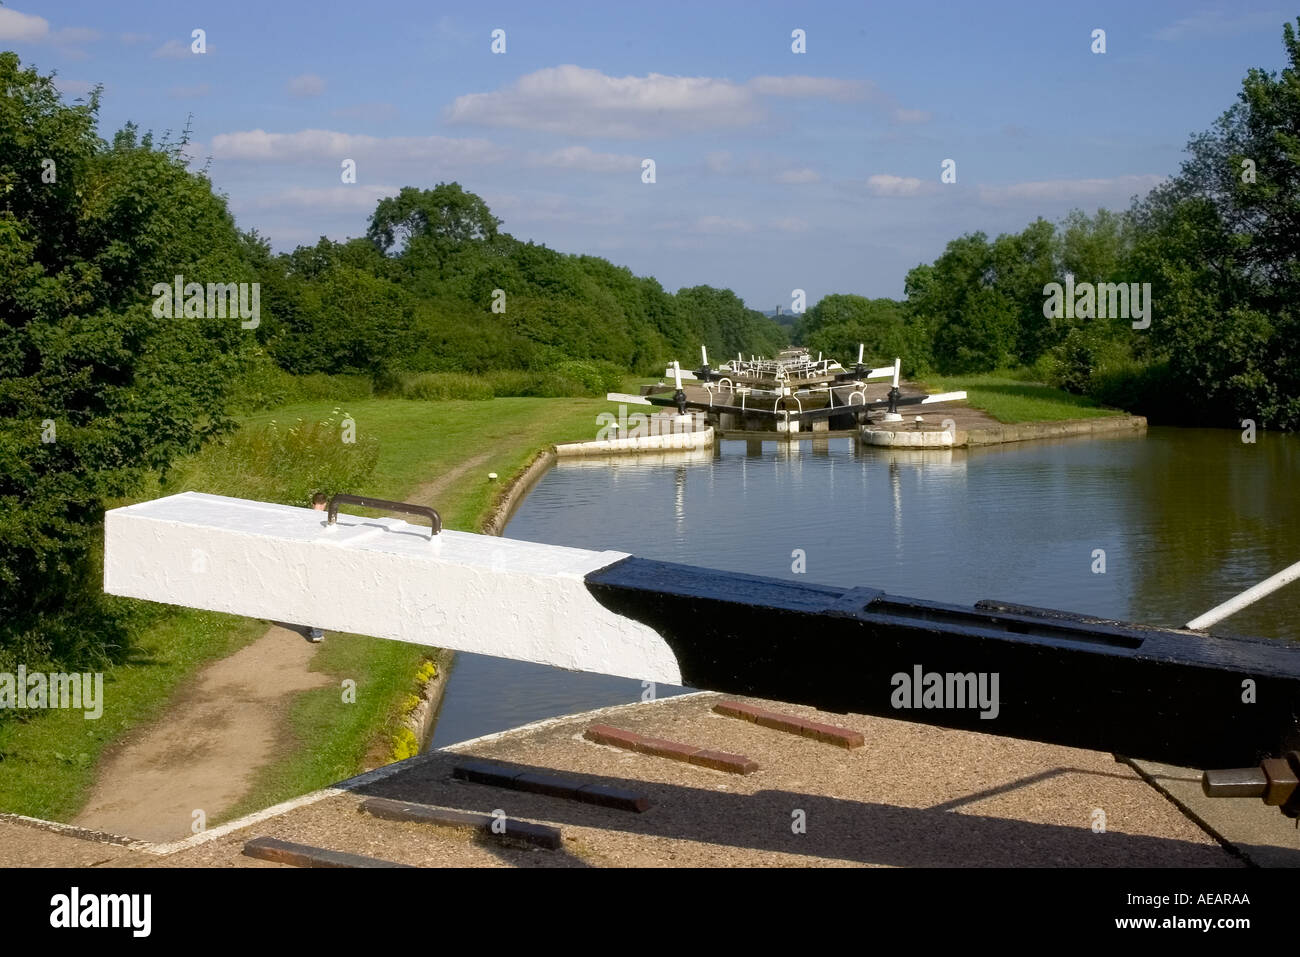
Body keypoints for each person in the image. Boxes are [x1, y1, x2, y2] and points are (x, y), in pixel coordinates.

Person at [305, 493, 328, 643]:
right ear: (325, 504)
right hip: (321, 561)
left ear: (312, 503)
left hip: (306, 561)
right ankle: (317, 631)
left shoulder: (304, 517)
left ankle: (310, 624)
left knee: (308, 593)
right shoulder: (328, 520)